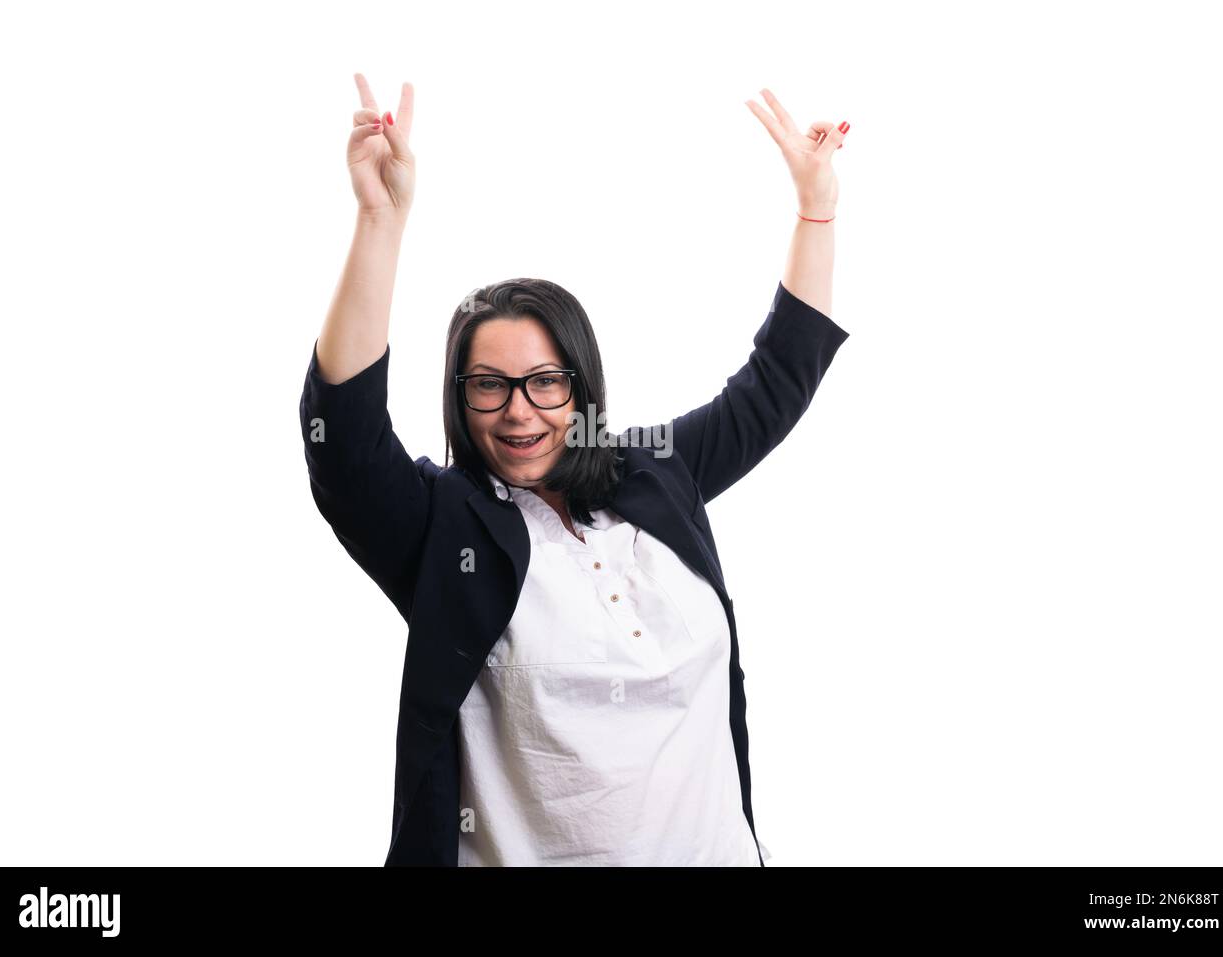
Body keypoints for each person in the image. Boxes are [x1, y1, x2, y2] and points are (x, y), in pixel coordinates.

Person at [299, 74, 852, 866]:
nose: (519, 411)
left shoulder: (655, 472)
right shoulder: (443, 526)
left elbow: (776, 381)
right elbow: (343, 440)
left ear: (579, 387)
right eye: (488, 384)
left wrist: (816, 208)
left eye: (545, 382)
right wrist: (380, 220)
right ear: (461, 396)